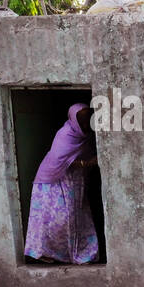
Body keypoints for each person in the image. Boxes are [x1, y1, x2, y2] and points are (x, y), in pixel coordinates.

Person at [24, 103, 100, 264]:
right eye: (82, 121)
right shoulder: (65, 135)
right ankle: (43, 252)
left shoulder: (86, 137)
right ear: (73, 120)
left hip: (75, 183)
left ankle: (79, 252)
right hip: (52, 182)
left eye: (88, 120)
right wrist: (86, 163)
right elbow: (60, 159)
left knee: (76, 218)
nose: (86, 125)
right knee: (53, 219)